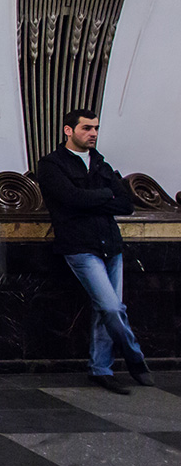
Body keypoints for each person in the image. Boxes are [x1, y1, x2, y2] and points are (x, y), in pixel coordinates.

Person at [34, 110, 151, 394]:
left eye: (96, 128)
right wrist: (104, 196)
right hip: (79, 247)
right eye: (87, 128)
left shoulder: (100, 163)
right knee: (111, 307)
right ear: (67, 130)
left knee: (105, 311)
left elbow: (126, 205)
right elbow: (70, 200)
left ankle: (101, 369)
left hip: (111, 245)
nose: (93, 134)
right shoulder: (51, 164)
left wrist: (93, 200)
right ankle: (135, 358)